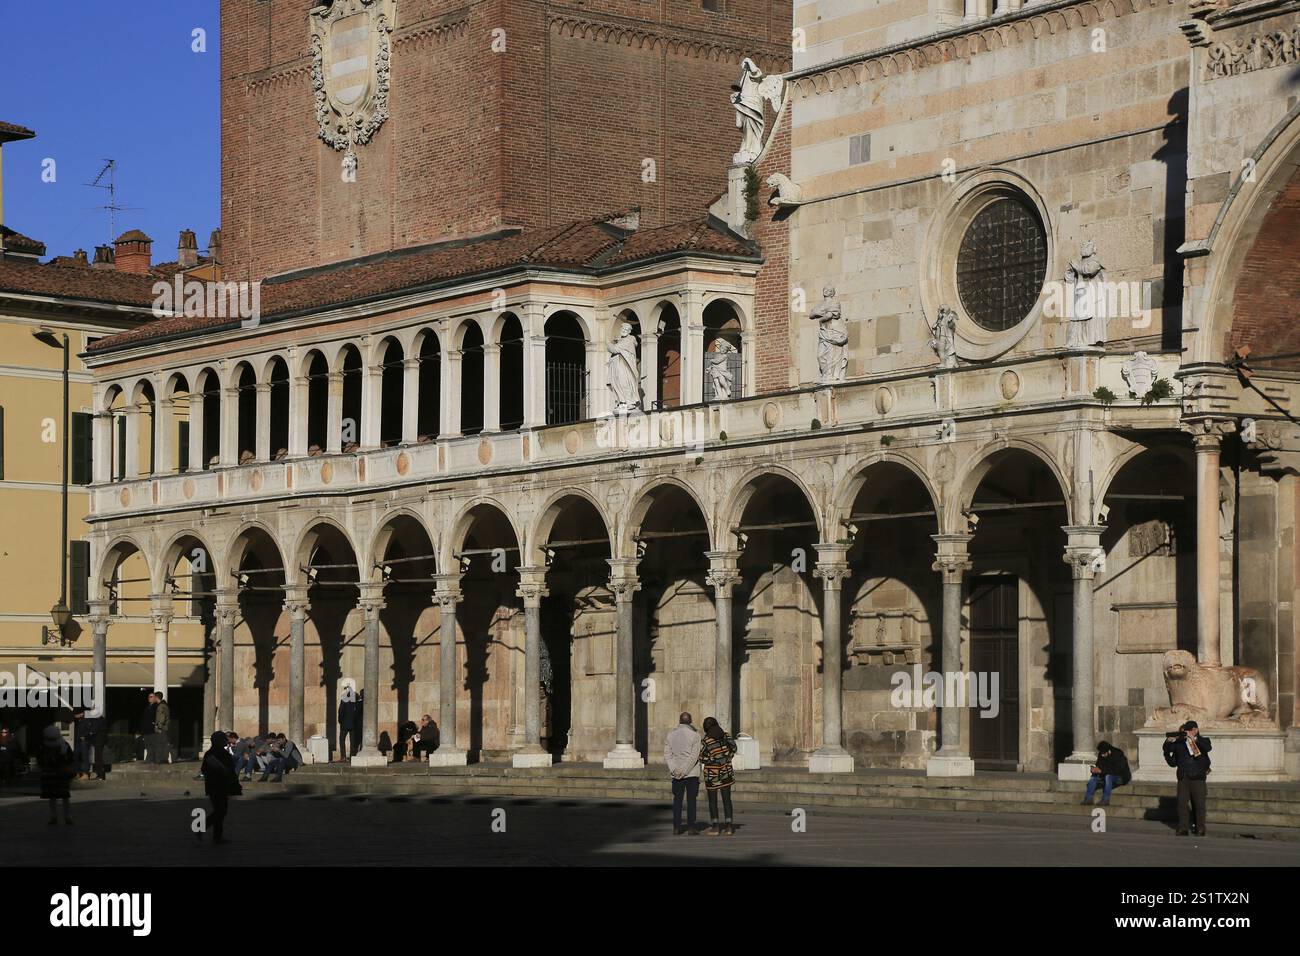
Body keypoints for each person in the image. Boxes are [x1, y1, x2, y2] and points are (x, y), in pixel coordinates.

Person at [1163, 720, 1212, 836]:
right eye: (1186, 730)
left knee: (1199, 804)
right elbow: (1169, 751)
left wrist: (1194, 739)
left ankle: (1200, 828)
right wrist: (1168, 742)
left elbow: (1208, 748)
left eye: (1190, 730)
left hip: (1198, 777)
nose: (1187, 732)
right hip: (1183, 777)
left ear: (1196, 730)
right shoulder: (1180, 742)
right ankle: (1183, 828)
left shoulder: (1203, 740)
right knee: (1181, 804)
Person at [200, 731, 241, 844]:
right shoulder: (220, 754)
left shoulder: (210, 753)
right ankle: (201, 828)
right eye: (223, 739)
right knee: (221, 811)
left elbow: (204, 769)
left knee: (220, 811)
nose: (225, 741)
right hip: (219, 786)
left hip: (214, 786)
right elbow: (230, 771)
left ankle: (216, 836)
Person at [665, 712, 701, 836]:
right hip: (691, 774)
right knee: (691, 801)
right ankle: (691, 827)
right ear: (690, 721)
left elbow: (668, 755)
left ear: (679, 721)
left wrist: (675, 770)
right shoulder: (695, 736)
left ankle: (676, 826)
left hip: (676, 774)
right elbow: (694, 757)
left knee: (677, 801)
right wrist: (684, 771)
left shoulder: (670, 735)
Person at [699, 716, 737, 836]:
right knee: (727, 799)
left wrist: (712, 759)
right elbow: (734, 748)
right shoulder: (726, 736)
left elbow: (701, 757)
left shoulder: (706, 741)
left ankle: (715, 827)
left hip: (712, 774)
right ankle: (729, 826)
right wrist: (726, 758)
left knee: (712, 801)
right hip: (726, 771)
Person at [38, 725, 75, 825]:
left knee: (52, 797)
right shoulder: (64, 745)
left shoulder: (43, 746)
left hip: (49, 774)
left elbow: (40, 760)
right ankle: (67, 816)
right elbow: (71, 759)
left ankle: (53, 816)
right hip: (61, 773)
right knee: (64, 796)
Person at [1081, 740, 1131, 806]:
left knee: (1108, 777)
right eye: (1101, 753)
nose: (1102, 755)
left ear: (1109, 751)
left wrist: (1101, 771)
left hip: (1121, 777)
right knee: (1093, 777)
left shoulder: (1118, 754)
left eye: (1103, 753)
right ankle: (1088, 799)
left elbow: (1117, 770)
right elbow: (1099, 766)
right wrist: (1095, 769)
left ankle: (1105, 799)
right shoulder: (1101, 754)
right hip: (1105, 775)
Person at [338, 685, 359, 761]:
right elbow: (357, 712)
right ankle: (352, 756)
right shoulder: (355, 699)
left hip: (344, 723)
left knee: (342, 739)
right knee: (352, 741)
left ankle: (343, 756)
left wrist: (340, 720)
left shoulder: (344, 699)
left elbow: (341, 711)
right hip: (353, 723)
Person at [151, 691, 171, 764]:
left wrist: (158, 726)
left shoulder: (161, 706)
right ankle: (163, 759)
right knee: (163, 744)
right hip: (164, 728)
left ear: (156, 697)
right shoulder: (164, 705)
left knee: (160, 744)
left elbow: (162, 717)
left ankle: (160, 760)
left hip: (161, 729)